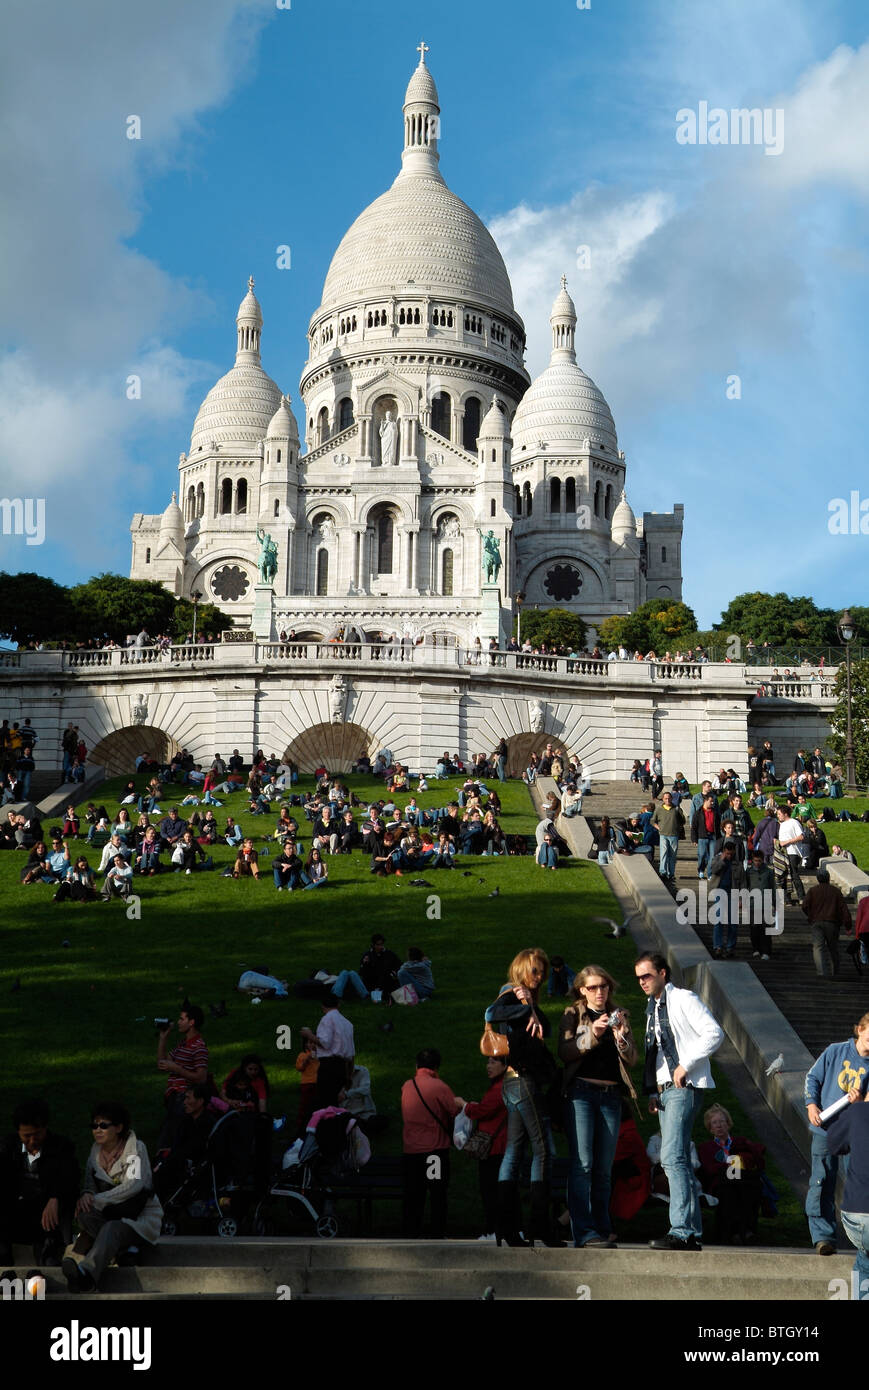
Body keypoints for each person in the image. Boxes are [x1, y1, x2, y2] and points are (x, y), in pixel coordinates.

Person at [634, 951, 724, 1250]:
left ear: (662, 973)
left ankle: (681, 1230)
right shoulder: (652, 1007)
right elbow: (655, 1053)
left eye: (647, 975)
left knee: (671, 1157)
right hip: (665, 1089)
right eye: (638, 978)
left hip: (683, 1084)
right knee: (679, 1159)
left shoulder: (683, 999)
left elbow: (714, 1033)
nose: (642, 982)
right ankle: (693, 1232)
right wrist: (653, 1090)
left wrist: (685, 1064)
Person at [485, 948, 561, 1247]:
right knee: (543, 1152)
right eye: (534, 971)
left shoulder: (526, 998)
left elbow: (547, 1028)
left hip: (515, 1082)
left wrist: (530, 1007)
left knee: (515, 1152)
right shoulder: (512, 993)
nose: (539, 977)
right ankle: (538, 1224)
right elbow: (491, 1013)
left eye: (542, 971)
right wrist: (523, 1006)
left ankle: (507, 1226)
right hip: (522, 1081)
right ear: (520, 970)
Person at [558, 965, 637, 1248]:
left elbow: (631, 1059)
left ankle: (602, 1229)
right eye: (592, 987)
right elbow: (565, 1052)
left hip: (611, 1096)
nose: (599, 992)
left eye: (603, 986)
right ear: (582, 989)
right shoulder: (572, 1014)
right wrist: (592, 1034)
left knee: (603, 1168)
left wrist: (621, 1037)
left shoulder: (620, 1014)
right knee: (583, 1165)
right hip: (581, 1094)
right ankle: (584, 1232)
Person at [63, 1100, 162, 1293]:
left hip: (139, 1216)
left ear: (118, 1127)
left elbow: (134, 1185)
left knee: (110, 1229)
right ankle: (124, 1251)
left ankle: (86, 1275)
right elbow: (89, 1184)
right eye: (94, 1125)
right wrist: (87, 1195)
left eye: (103, 1125)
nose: (97, 1130)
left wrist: (98, 1200)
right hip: (110, 1212)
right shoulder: (95, 1151)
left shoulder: (135, 1149)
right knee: (85, 1214)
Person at [804, 1013, 869, 1254]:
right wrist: (811, 1105)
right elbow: (813, 1078)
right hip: (825, 1126)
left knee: (859, 1181)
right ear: (860, 1030)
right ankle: (823, 1237)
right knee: (822, 1180)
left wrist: (861, 1102)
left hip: (856, 1132)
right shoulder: (836, 1051)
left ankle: (859, 1238)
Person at [0, 1100, 79, 1266]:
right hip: (17, 1205)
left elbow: (69, 1176)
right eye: (26, 1136)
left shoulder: (61, 1147)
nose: (32, 1140)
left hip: (46, 1205)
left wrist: (55, 1197)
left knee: (59, 1205)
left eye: (37, 1134)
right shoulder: (8, 1147)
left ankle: (51, 1250)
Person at [400, 1048, 464, 1239]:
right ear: (436, 1066)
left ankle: (410, 1230)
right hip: (434, 1153)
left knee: (413, 1193)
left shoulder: (407, 1086)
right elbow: (453, 1111)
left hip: (411, 1152)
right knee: (436, 1192)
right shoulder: (440, 1087)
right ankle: (437, 1231)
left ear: (417, 1065)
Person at [825, 1064, 869, 1292]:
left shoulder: (857, 1112)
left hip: (857, 1213)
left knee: (865, 1261)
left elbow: (833, 1143)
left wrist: (854, 1110)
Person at [696, 1104, 765, 1244]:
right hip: (719, 1183)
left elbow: (756, 1160)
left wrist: (733, 1163)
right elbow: (710, 1168)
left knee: (750, 1189)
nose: (719, 1125)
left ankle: (746, 1231)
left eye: (722, 1121)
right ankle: (733, 1233)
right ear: (710, 1128)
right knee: (729, 1191)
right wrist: (731, 1163)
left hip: (744, 1180)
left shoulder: (741, 1142)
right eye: (714, 1123)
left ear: (728, 1124)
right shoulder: (706, 1147)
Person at [463, 1057, 509, 1240]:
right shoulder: (505, 1086)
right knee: (497, 1191)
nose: (488, 1066)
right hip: (500, 1146)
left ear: (504, 1065)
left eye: (492, 1062)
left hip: (494, 1148)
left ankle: (493, 1230)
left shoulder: (499, 1088)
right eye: (487, 1062)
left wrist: (464, 1106)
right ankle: (498, 1229)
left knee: (491, 1191)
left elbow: (482, 1111)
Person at [156, 1006, 209, 1135]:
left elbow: (202, 1078)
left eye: (181, 1019)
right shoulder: (183, 1044)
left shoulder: (199, 1047)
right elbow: (161, 1063)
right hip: (173, 1096)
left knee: (170, 1136)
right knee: (169, 1134)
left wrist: (176, 1068)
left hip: (183, 1097)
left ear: (191, 1022)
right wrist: (163, 1038)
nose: (178, 1022)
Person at [300, 994, 355, 1107]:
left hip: (328, 1067)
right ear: (338, 1004)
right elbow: (351, 1052)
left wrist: (308, 1035)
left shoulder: (327, 1019)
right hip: (342, 1067)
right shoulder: (348, 1023)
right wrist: (349, 1075)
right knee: (335, 1104)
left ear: (323, 1006)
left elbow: (325, 1042)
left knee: (325, 1102)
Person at [801, 869, 851, 977]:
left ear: (818, 879)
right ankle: (835, 971)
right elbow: (844, 909)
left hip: (816, 922)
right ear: (828, 878)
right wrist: (848, 925)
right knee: (833, 948)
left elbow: (804, 906)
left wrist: (810, 915)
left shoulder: (813, 890)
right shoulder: (836, 891)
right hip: (832, 922)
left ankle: (821, 971)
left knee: (818, 947)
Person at [651, 791, 683, 884]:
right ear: (663, 799)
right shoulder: (659, 809)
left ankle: (671, 874)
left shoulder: (676, 809)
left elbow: (682, 821)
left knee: (672, 855)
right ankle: (662, 872)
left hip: (674, 835)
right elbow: (652, 821)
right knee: (664, 853)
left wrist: (678, 827)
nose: (667, 800)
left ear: (672, 798)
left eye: (669, 798)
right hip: (663, 835)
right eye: (665, 798)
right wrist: (658, 828)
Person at [360, 934, 401, 999]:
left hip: (387, 980)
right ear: (373, 945)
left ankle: (384, 993)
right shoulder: (368, 955)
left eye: (381, 944)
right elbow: (362, 972)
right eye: (378, 945)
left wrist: (394, 972)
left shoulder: (389, 954)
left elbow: (399, 965)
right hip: (372, 982)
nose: (380, 947)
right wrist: (365, 964)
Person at [691, 792, 721, 880]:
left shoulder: (715, 813)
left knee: (712, 856)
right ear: (705, 801)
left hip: (713, 837)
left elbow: (718, 825)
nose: (712, 803)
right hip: (702, 837)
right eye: (711, 801)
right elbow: (694, 827)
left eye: (713, 802)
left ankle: (709, 873)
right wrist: (694, 839)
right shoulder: (698, 813)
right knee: (702, 855)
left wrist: (719, 838)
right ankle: (701, 870)